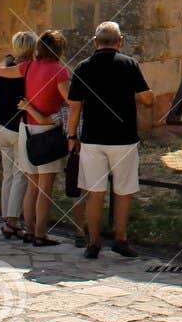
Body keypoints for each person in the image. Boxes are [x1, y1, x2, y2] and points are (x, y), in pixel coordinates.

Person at [66, 21, 154, 259]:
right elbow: (147, 99)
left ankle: (93, 242)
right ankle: (120, 238)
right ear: (120, 41)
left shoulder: (83, 68)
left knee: (95, 192)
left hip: (93, 138)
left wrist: (72, 135)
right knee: (123, 191)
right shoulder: (129, 65)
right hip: (123, 138)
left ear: (95, 42)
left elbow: (74, 107)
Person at [17, 29, 70, 247]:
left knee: (32, 185)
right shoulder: (60, 71)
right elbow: (71, 100)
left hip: (27, 128)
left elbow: (2, 71)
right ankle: (40, 234)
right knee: (45, 188)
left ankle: (28, 230)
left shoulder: (26, 66)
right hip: (47, 131)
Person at [0, 31, 34, 240]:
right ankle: (13, 221)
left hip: (3, 125)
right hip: (19, 126)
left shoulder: (3, 69)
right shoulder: (26, 71)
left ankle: (6, 217)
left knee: (7, 174)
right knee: (20, 175)